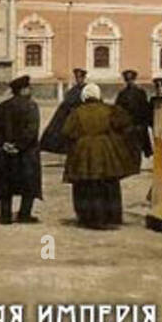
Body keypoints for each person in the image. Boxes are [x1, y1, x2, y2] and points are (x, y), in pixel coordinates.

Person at [62, 83, 139, 229]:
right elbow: (125, 124)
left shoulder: (77, 112)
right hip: (106, 150)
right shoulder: (109, 109)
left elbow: (67, 131)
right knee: (108, 182)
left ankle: (87, 218)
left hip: (83, 150)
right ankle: (111, 216)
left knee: (84, 184)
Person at [0, 74, 42, 224]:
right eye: (29, 87)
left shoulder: (2, 107)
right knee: (28, 184)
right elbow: (32, 131)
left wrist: (4, 144)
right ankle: (24, 215)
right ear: (23, 90)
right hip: (26, 154)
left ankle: (5, 216)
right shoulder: (31, 106)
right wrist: (19, 146)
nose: (31, 90)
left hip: (6, 154)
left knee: (6, 184)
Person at [40, 66, 87, 154]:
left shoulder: (86, 89)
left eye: (80, 77)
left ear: (84, 78)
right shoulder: (73, 89)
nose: (78, 79)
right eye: (77, 77)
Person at [114, 69, 153, 160]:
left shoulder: (140, 93)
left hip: (138, 125)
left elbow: (144, 108)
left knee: (137, 146)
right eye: (128, 80)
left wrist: (144, 123)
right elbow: (118, 109)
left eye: (131, 80)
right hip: (127, 125)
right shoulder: (122, 94)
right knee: (127, 147)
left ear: (134, 80)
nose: (129, 82)